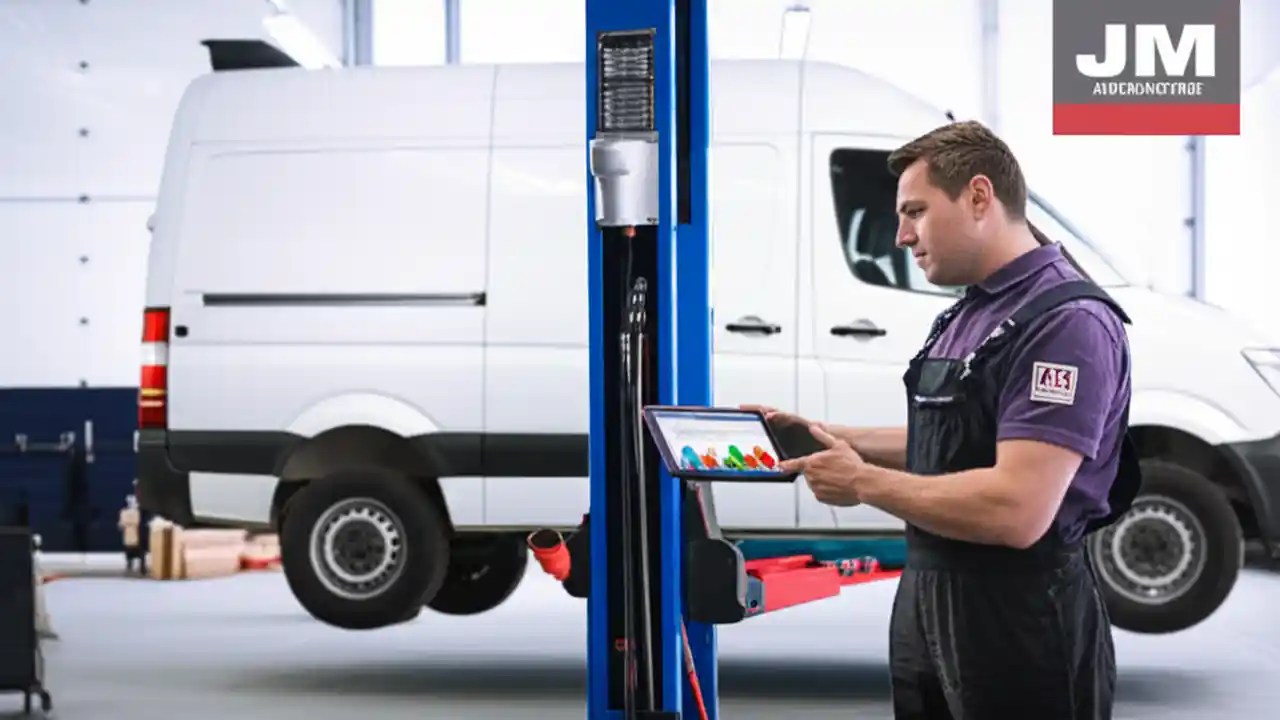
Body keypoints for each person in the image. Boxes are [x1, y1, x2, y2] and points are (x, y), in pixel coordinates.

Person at [750, 120, 1141, 719]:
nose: (902, 236)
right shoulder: (978, 308)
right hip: (934, 598)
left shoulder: (1066, 324)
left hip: (1022, 617)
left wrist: (861, 482)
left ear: (979, 197)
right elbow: (962, 442)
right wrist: (827, 436)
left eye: (916, 212)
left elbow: (1017, 508)